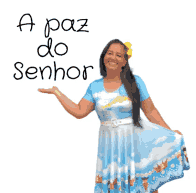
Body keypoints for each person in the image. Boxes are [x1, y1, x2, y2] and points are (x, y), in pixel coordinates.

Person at [38, 39, 190, 193]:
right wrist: (57, 92)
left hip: (135, 145)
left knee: (144, 189)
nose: (113, 57)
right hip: (110, 148)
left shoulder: (136, 82)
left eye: (119, 55)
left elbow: (151, 111)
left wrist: (169, 132)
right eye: (109, 53)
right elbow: (79, 111)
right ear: (103, 57)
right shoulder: (94, 86)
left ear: (125, 61)